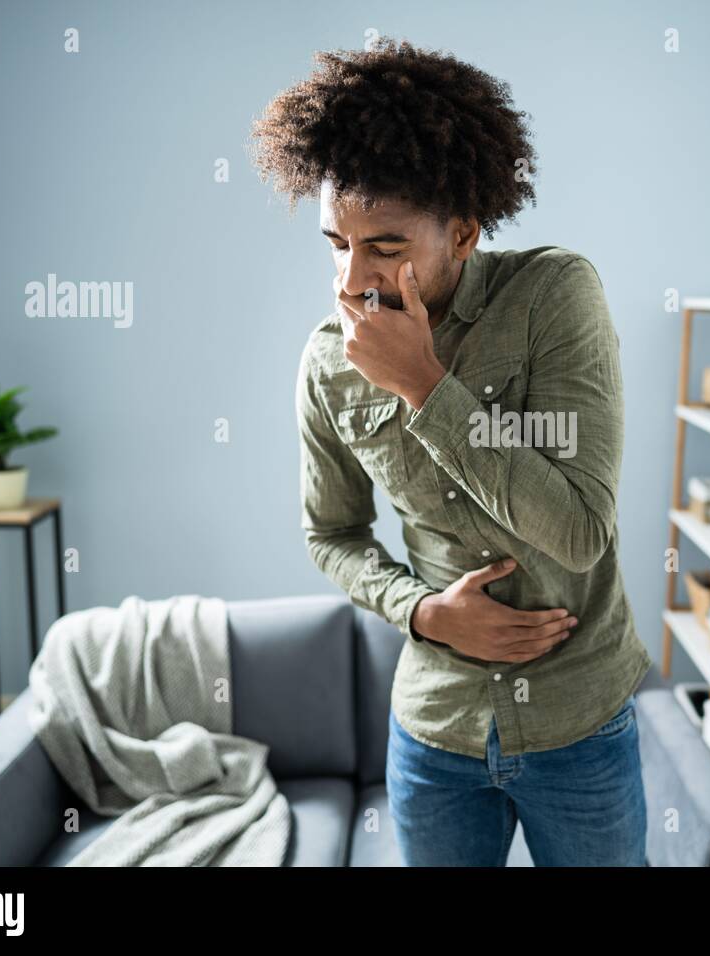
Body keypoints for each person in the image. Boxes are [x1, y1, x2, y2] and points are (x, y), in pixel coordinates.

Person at [252, 36, 651, 866]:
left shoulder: (553, 296)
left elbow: (580, 529)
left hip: (579, 723)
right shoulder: (328, 363)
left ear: (462, 233)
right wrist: (423, 613)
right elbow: (332, 535)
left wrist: (428, 388)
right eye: (336, 242)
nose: (350, 277)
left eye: (385, 247)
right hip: (434, 733)